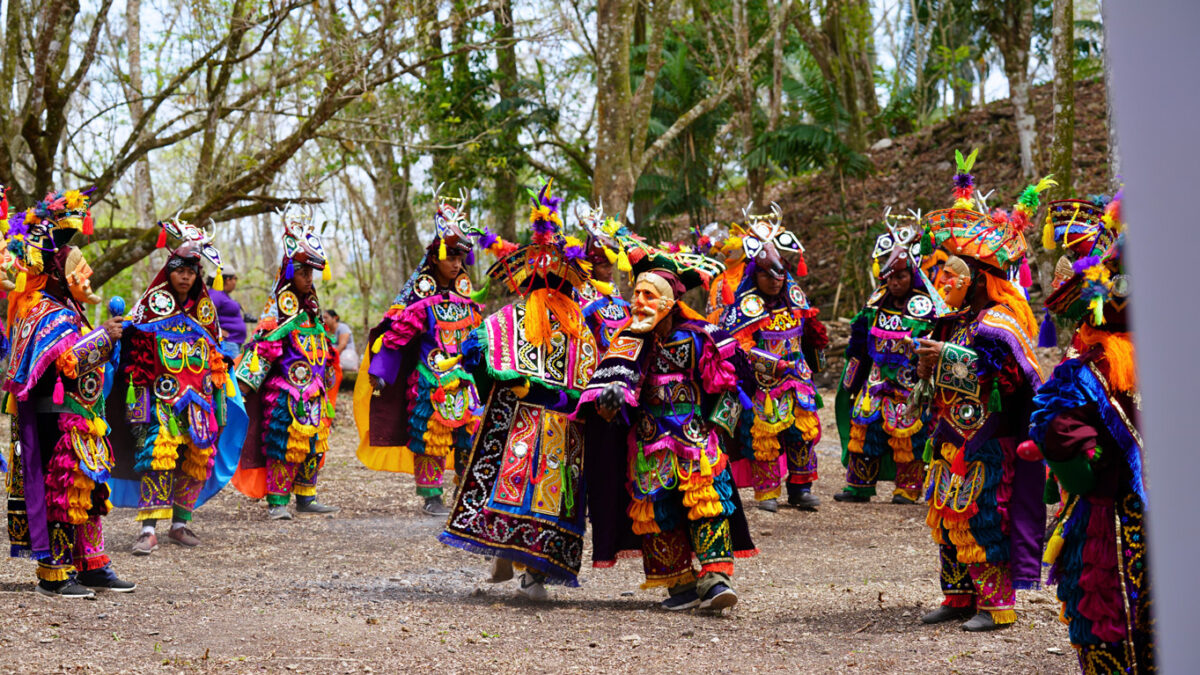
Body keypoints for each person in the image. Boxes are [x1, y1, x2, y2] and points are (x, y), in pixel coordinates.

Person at [438, 180, 596, 601]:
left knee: (521, 487)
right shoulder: (584, 324)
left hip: (524, 419)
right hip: (568, 425)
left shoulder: (511, 317)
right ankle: (532, 574)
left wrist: (501, 385)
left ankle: (520, 564)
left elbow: (475, 355)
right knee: (550, 496)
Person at [579, 240, 758, 611]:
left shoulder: (701, 337)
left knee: (708, 504)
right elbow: (604, 399)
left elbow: (732, 386)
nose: (638, 301)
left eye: (648, 294)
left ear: (668, 302)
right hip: (647, 443)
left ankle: (715, 578)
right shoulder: (626, 342)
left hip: (696, 439)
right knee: (659, 513)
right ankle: (679, 583)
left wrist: (721, 430)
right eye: (636, 293)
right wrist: (608, 405)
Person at [912, 150, 1048, 632]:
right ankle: (958, 597)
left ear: (976, 281)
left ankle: (996, 605)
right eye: (941, 271)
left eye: (952, 274)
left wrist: (945, 359)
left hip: (988, 438)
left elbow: (1011, 381)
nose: (942, 279)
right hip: (948, 431)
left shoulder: (998, 322)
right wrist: (927, 363)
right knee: (945, 514)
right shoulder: (952, 320)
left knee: (983, 514)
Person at [1028, 194, 1153, 673]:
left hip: (1113, 514)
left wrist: (1079, 453)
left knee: (1115, 618)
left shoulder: (1086, 368)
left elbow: (1058, 431)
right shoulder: (1101, 365)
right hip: (1141, 512)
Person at [2, 189, 135, 596]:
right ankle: (55, 573)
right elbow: (63, 361)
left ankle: (91, 563)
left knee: (87, 491)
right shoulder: (41, 310)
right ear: (60, 274)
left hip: (84, 419)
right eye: (81, 270)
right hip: (53, 419)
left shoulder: (71, 311)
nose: (88, 276)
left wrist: (111, 338)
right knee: (61, 491)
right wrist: (102, 337)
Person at [107, 217, 246, 555]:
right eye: (180, 269)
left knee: (198, 458)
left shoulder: (205, 314)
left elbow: (216, 359)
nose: (186, 276)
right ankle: (149, 529)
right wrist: (137, 408)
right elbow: (132, 359)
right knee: (157, 458)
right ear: (168, 270)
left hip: (200, 400)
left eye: (192, 271)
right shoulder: (149, 312)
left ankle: (181, 524)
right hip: (160, 401)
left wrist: (220, 397)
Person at [354, 193, 485, 514]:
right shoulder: (419, 305)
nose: (456, 264)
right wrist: (381, 374)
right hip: (430, 382)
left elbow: (480, 342)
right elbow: (394, 339)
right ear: (436, 257)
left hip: (466, 383)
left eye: (461, 257)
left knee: (471, 437)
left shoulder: (468, 303)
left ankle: (468, 492)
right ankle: (432, 496)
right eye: (450, 256)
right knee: (432, 438)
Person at [231, 206, 339, 519]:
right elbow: (262, 349)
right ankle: (278, 502)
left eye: (310, 273)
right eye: (303, 273)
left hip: (315, 394)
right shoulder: (279, 317)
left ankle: (306, 496)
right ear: (291, 273)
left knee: (313, 444)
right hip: (285, 395)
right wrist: (243, 387)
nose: (308, 278)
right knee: (282, 444)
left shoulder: (312, 314)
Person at [718, 204, 828, 513]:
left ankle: (801, 488)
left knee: (801, 434)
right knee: (765, 435)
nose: (776, 282)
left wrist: (812, 359)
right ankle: (767, 492)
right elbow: (738, 343)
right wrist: (769, 363)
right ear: (757, 274)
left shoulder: (794, 298)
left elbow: (810, 331)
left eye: (780, 276)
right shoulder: (746, 305)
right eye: (768, 276)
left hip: (799, 381)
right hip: (763, 384)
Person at [834, 213, 937, 505]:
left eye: (901, 276)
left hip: (909, 386)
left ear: (912, 275)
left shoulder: (928, 308)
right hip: (875, 384)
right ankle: (859, 486)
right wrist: (850, 384)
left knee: (910, 438)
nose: (894, 283)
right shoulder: (874, 305)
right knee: (864, 432)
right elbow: (859, 346)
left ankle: (907, 489)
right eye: (890, 277)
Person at [574, 204, 631, 354]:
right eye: (604, 266)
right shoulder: (580, 293)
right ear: (591, 266)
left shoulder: (613, 289)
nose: (610, 271)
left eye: (611, 265)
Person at [207, 267, 248, 350]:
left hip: (232, 342)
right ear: (228, 280)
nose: (235, 282)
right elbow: (207, 314)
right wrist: (218, 331)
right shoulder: (216, 294)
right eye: (235, 278)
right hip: (227, 343)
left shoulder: (223, 295)